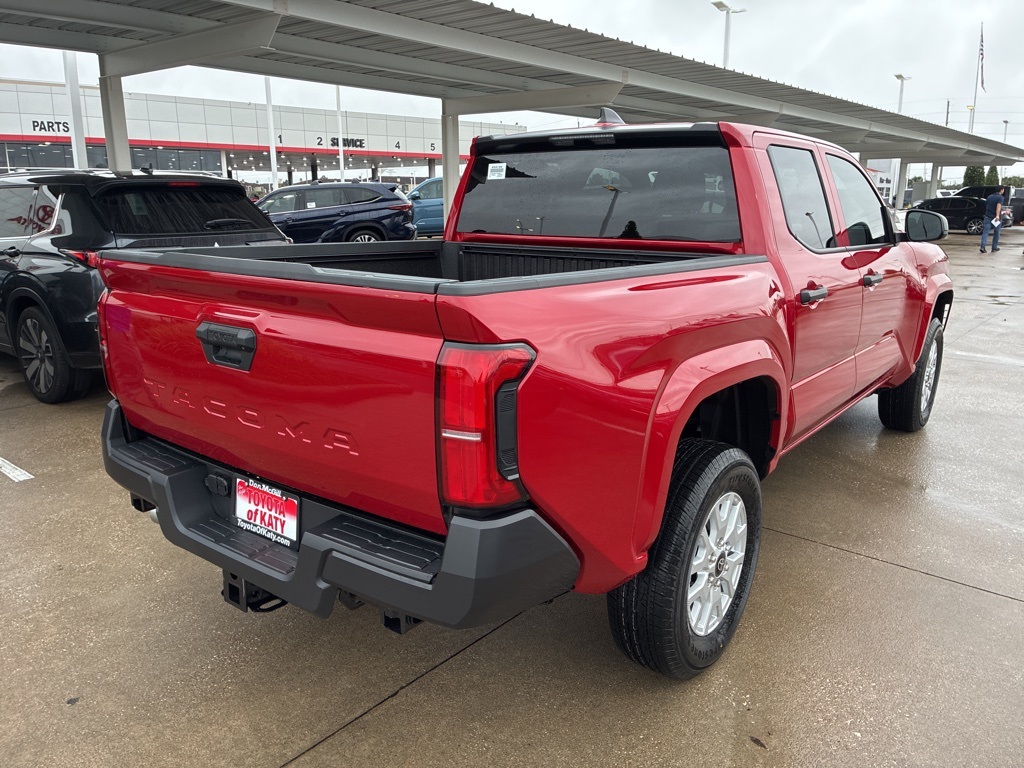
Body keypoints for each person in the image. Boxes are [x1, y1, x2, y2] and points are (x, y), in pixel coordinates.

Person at [979, 186, 1005, 253]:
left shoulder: (989, 197)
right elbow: (998, 206)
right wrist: (997, 215)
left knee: (985, 232)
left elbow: (986, 205)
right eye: (1003, 190)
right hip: (996, 218)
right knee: (996, 232)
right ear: (1001, 190)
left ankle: (983, 246)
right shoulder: (1000, 197)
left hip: (987, 216)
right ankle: (994, 247)